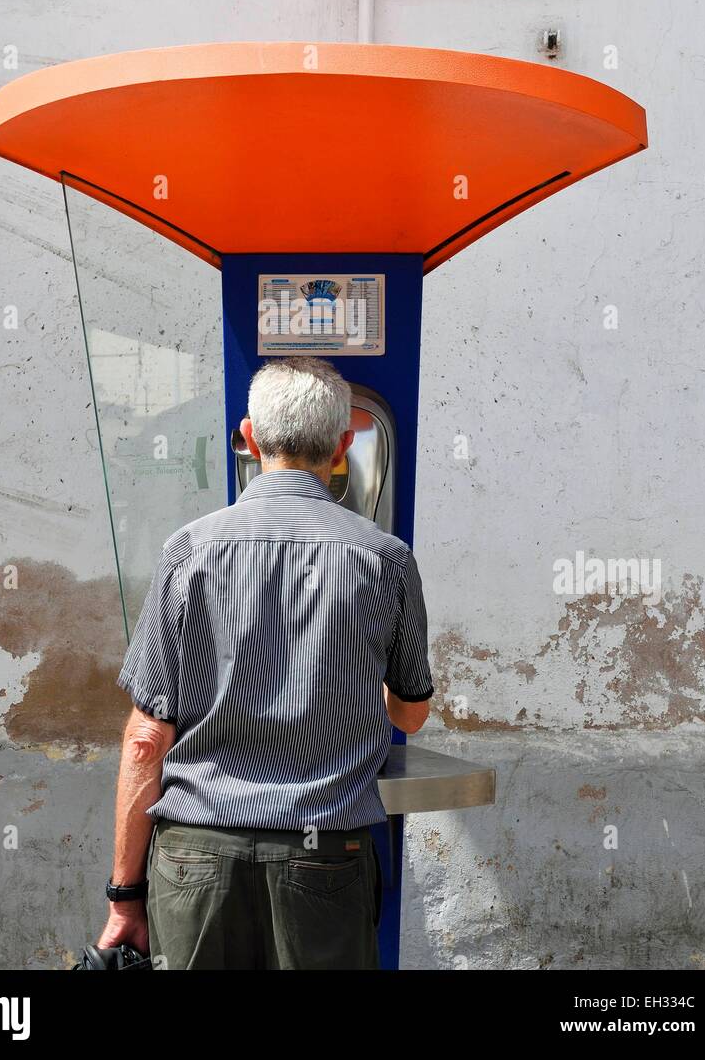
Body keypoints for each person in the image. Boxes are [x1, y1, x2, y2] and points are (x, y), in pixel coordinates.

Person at [99, 355, 434, 970]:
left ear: (249, 439)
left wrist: (125, 896)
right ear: (342, 447)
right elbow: (409, 715)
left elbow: (147, 740)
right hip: (326, 853)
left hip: (195, 855)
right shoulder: (385, 558)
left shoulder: (187, 551)